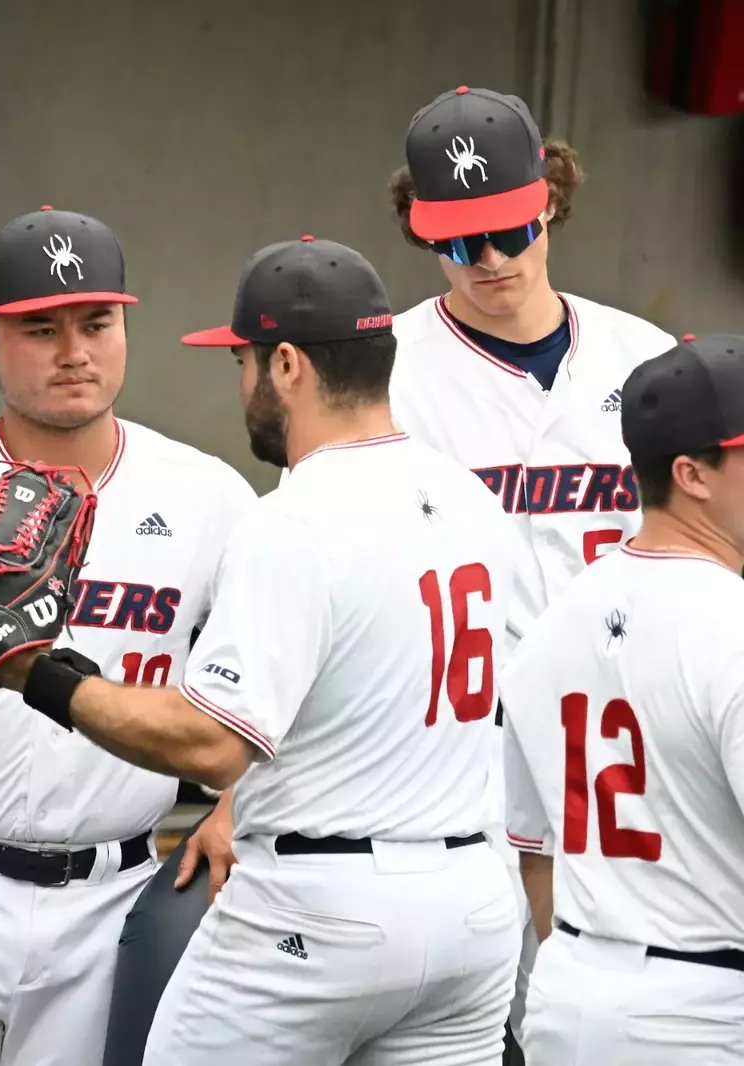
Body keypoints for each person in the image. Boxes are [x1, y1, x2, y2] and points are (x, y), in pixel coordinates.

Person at [0, 235, 522, 1064]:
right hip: (475, 908)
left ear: (288, 368)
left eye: (244, 362)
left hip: (320, 910)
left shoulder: (295, 518)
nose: (242, 384)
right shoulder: (473, 501)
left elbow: (213, 744)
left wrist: (42, 674)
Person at [0, 205, 256, 1066]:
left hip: (114, 894)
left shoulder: (210, 498)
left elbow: (284, 686)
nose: (75, 350)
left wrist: (237, 807)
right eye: (41, 328)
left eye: (97, 323)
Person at [384, 85, 677, 1051]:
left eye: (508, 230)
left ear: (547, 196)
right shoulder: (389, 370)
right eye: (460, 243)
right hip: (466, 751)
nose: (491, 262)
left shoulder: (646, 361)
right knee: (492, 1030)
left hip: (632, 739)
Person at [500, 333, 744, 1063]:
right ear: (692, 475)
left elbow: (534, 858)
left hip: (569, 996)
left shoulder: (549, 628)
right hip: (707, 1013)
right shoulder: (730, 625)